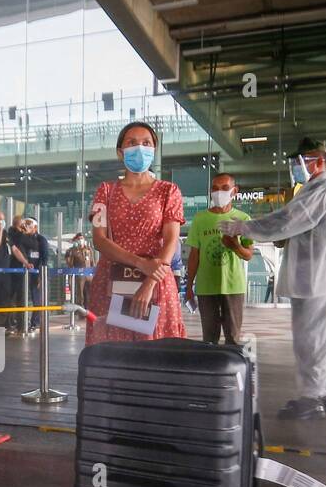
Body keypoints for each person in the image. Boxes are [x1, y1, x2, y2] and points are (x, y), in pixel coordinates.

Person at [219, 139, 326, 418]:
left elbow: (288, 220)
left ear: (318, 160)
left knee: (311, 339)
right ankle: (322, 393)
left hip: (315, 277)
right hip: (321, 277)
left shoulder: (323, 189)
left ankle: (312, 399)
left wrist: (244, 226)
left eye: (300, 161)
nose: (296, 167)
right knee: (322, 338)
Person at [86, 121, 185, 345]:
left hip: (156, 281)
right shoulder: (105, 191)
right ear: (120, 153)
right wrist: (141, 263)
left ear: (154, 150)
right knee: (112, 352)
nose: (139, 148)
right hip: (111, 281)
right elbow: (99, 240)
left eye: (146, 143)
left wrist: (149, 281)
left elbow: (170, 241)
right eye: (132, 143)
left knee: (156, 351)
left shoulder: (168, 191)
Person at [185, 174, 253, 345]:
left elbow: (248, 255)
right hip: (206, 288)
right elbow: (194, 255)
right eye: (214, 188)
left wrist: (235, 246)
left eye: (224, 188)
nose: (218, 192)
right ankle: (209, 370)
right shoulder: (200, 219)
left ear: (234, 191)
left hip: (234, 287)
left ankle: (232, 370)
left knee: (233, 338)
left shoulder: (242, 219)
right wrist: (189, 286)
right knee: (209, 338)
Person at [7, 214, 40, 335]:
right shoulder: (17, 235)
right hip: (17, 270)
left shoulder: (12, 234)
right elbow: (32, 245)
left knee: (17, 298)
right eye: (23, 224)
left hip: (18, 269)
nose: (25, 226)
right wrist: (26, 232)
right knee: (18, 298)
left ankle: (16, 323)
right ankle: (18, 324)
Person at [65, 232, 94, 307]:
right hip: (79, 275)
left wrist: (93, 272)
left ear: (84, 239)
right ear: (76, 241)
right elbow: (70, 264)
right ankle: (80, 311)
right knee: (80, 294)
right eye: (79, 239)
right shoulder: (73, 251)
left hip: (89, 274)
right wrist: (68, 258)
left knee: (89, 293)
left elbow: (92, 262)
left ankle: (88, 309)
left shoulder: (88, 249)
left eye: (82, 238)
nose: (80, 240)